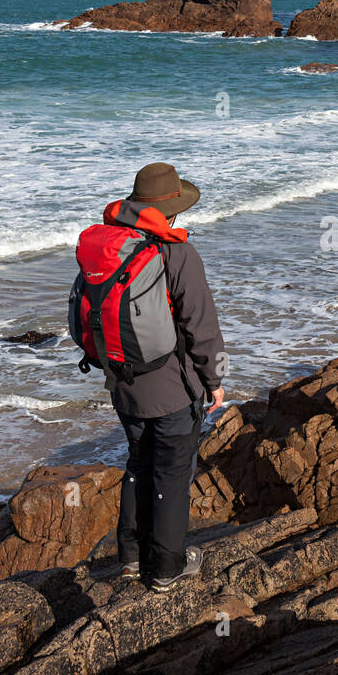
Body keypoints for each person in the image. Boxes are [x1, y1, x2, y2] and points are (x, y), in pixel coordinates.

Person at [101, 162, 225, 590]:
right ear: (171, 212)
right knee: (171, 475)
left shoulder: (112, 246)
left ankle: (131, 558)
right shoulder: (178, 253)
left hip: (124, 386)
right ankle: (167, 569)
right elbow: (201, 326)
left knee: (138, 462)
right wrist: (215, 380)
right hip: (173, 390)